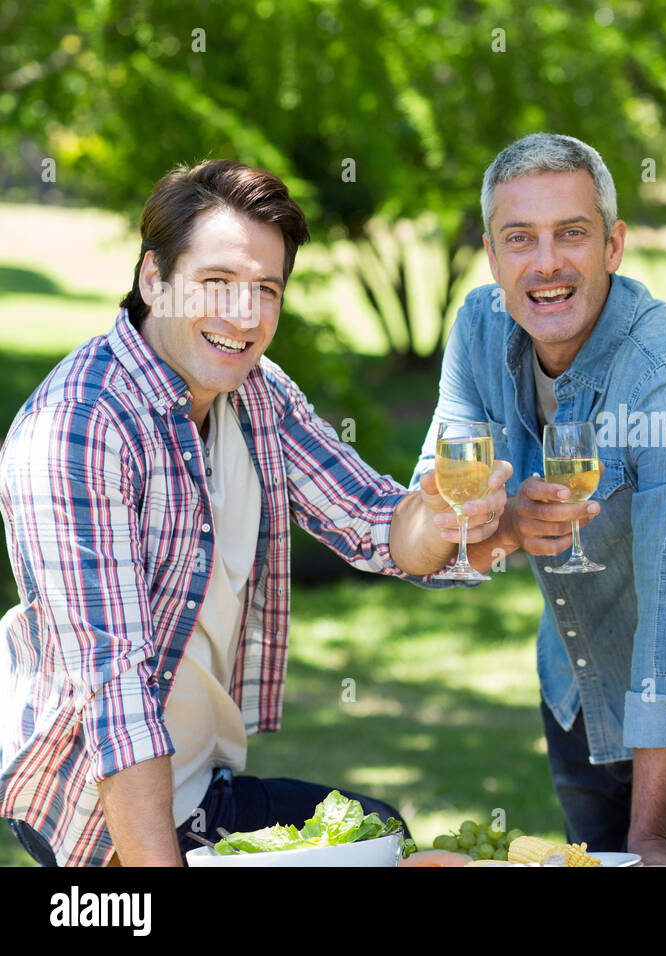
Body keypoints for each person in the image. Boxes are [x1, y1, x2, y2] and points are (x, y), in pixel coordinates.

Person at [0, 160, 510, 867]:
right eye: (216, 283)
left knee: (383, 834)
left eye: (265, 290)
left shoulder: (257, 394)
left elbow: (375, 521)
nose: (244, 317)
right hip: (101, 815)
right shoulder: (80, 429)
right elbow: (111, 695)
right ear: (155, 279)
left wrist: (450, 520)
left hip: (199, 789)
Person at [413, 133, 666, 867]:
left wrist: (647, 839)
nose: (547, 263)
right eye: (520, 239)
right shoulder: (479, 329)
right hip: (575, 690)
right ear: (493, 254)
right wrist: (502, 523)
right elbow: (435, 515)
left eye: (572, 233)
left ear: (614, 245)